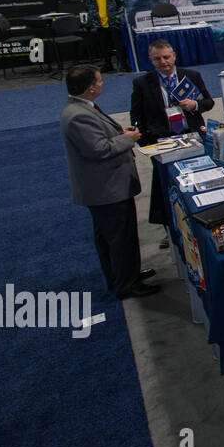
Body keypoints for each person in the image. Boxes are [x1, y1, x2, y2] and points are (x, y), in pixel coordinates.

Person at [61, 66, 159, 299]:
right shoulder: (78, 115)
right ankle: (128, 284)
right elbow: (98, 150)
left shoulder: (80, 108)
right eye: (100, 81)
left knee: (110, 236)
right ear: (90, 87)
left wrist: (118, 134)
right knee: (120, 238)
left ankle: (122, 275)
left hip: (104, 188)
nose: (103, 83)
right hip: (107, 189)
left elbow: (98, 139)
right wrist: (128, 138)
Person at [130, 39, 216, 241]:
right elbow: (137, 116)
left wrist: (195, 104)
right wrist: (147, 144)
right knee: (167, 186)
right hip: (162, 142)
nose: (163, 62)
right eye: (158, 58)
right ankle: (170, 228)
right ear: (151, 60)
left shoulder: (191, 76)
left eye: (166, 57)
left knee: (196, 182)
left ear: (174, 56)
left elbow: (209, 102)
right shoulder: (142, 83)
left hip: (193, 137)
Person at [84, 0, 125, 73]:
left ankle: (122, 64)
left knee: (118, 45)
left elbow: (121, 4)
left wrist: (117, 17)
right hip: (100, 24)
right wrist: (93, 18)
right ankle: (108, 64)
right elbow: (89, 6)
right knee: (104, 46)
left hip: (113, 23)